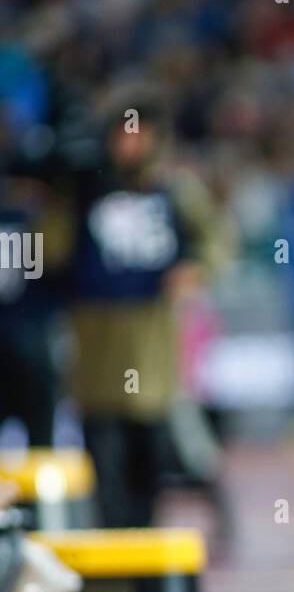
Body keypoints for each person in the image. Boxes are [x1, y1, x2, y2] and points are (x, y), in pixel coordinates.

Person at [65, 94, 204, 528]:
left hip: (152, 341)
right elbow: (51, 250)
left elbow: (215, 239)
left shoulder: (176, 189)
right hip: (97, 343)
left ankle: (144, 539)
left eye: (140, 134)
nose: (130, 144)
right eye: (123, 134)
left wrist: (193, 270)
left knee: (152, 455)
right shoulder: (83, 188)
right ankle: (112, 539)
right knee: (104, 454)